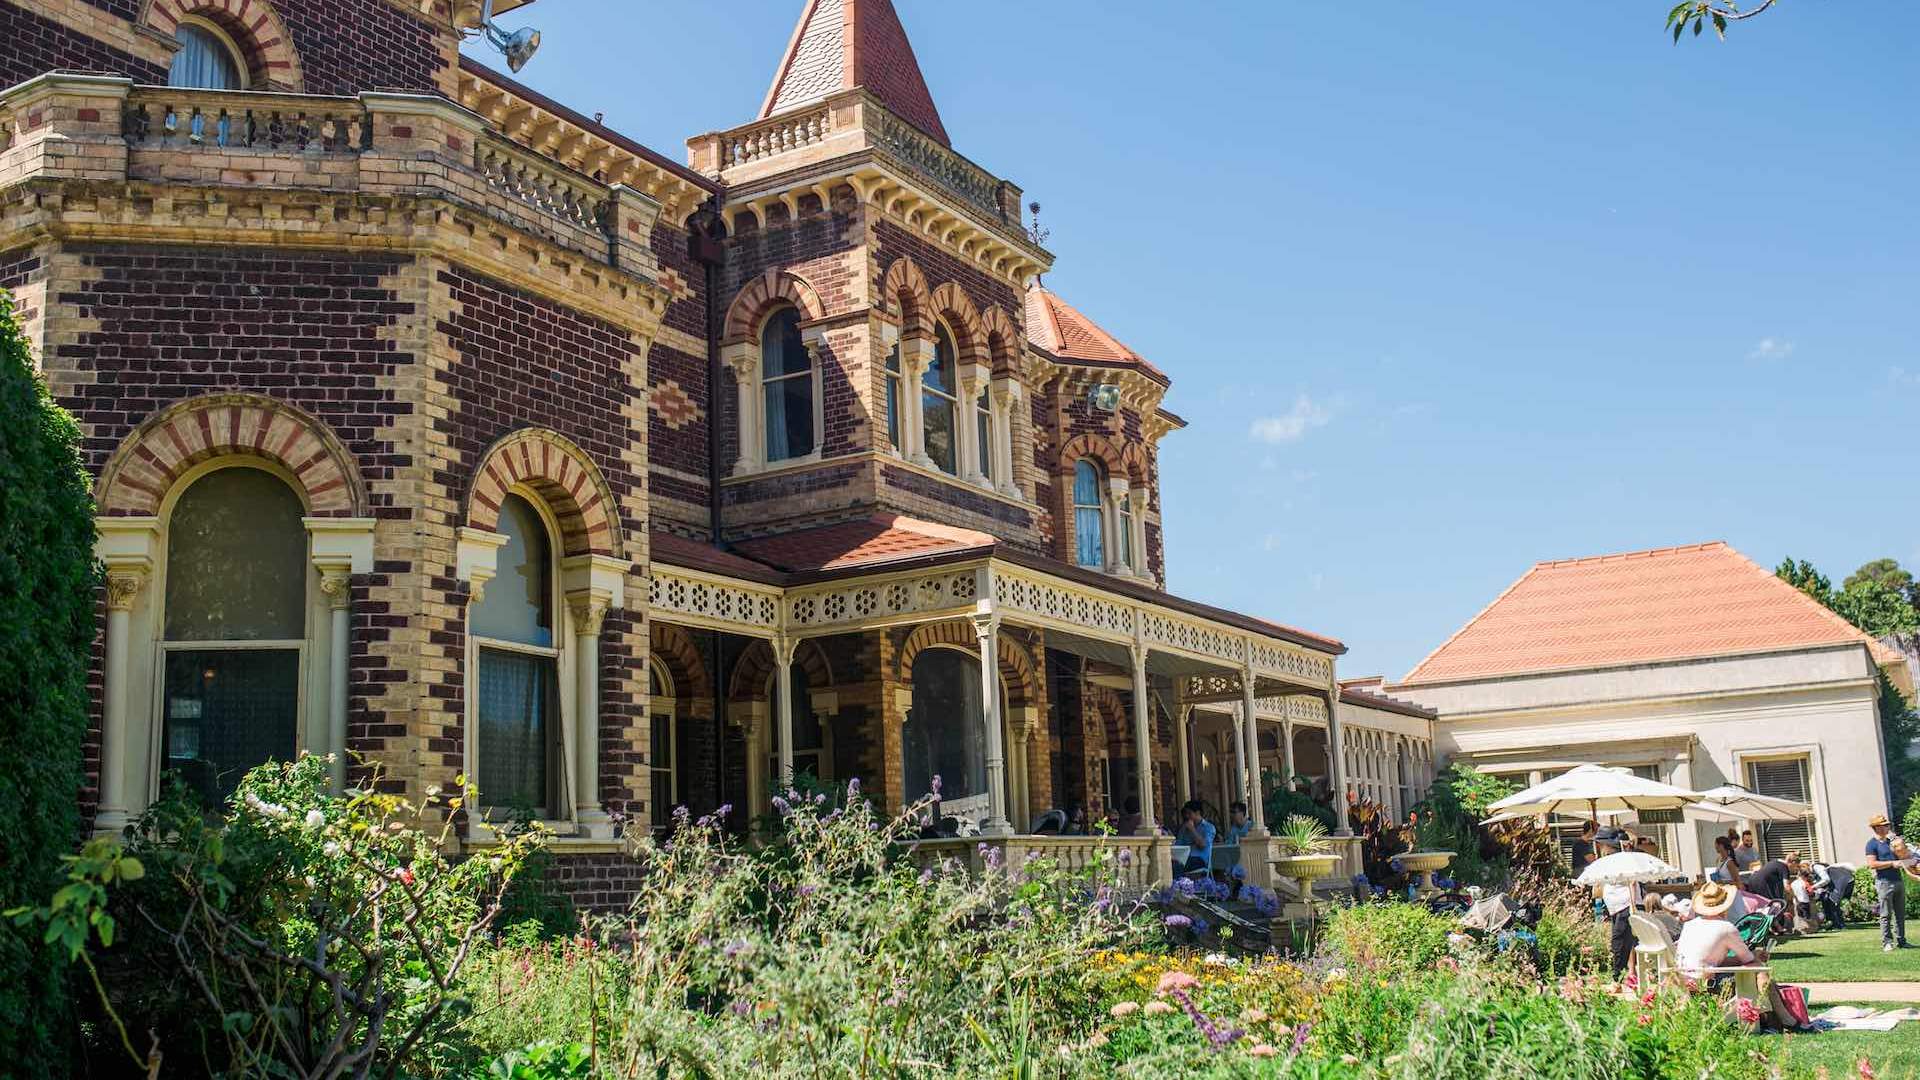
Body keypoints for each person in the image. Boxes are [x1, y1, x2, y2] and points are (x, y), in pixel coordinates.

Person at [1675, 882, 1759, 978]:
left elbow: (1707, 959)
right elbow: (1747, 959)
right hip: (1705, 981)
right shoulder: (1726, 928)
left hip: (1681, 978)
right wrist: (1755, 955)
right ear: (1726, 907)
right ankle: (1767, 992)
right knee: (1757, 965)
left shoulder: (1689, 925)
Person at [1864, 814, 1910, 952]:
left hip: (1898, 880)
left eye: (1887, 825)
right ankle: (1887, 942)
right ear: (1876, 828)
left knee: (1900, 914)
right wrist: (1892, 863)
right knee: (1886, 914)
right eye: (1884, 825)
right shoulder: (1871, 844)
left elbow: (1903, 856)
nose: (1887, 827)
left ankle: (1902, 941)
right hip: (1884, 882)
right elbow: (1872, 864)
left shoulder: (1892, 841)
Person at [1174, 800, 1215, 875]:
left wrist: (1192, 830)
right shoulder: (1184, 828)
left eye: (1189, 813)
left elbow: (1203, 845)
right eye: (1186, 814)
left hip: (1200, 859)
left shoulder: (1208, 827)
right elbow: (1178, 845)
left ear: (1197, 813)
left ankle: (1179, 885)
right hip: (1184, 858)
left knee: (1177, 867)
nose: (1187, 816)